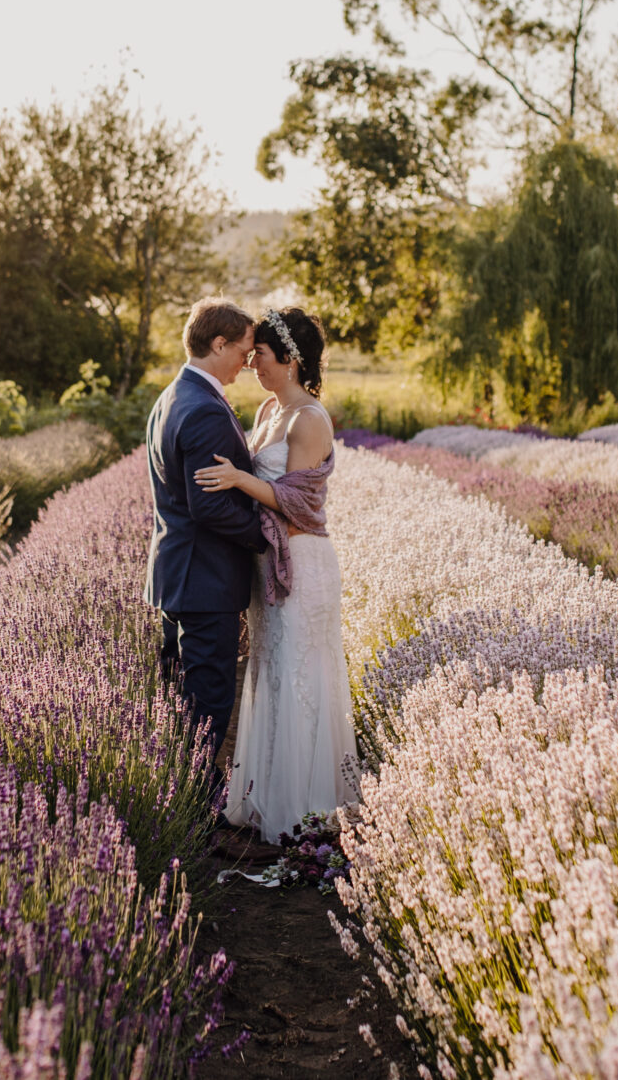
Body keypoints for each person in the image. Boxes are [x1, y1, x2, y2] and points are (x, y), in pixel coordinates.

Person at [192, 305, 358, 844]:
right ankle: (264, 797)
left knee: (300, 674)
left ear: (288, 359)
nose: (251, 364)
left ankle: (304, 809)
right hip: (270, 564)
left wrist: (239, 479)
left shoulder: (311, 419)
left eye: (259, 355)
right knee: (269, 669)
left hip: (303, 565)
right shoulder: (268, 409)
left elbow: (296, 503)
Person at [144, 298, 268, 816]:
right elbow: (211, 507)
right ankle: (201, 821)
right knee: (208, 704)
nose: (248, 360)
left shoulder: (174, 395)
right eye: (242, 349)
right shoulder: (203, 409)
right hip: (204, 580)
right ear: (218, 344)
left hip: (180, 576)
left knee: (184, 703)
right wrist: (267, 536)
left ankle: (186, 805)